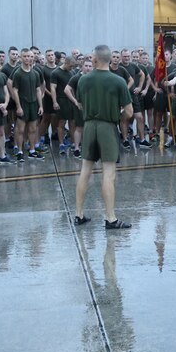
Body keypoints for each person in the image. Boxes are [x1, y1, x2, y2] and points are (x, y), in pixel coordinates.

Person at [75, 45, 132, 230]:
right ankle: (110, 218)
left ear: (95, 59)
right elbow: (129, 111)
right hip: (108, 127)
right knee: (108, 174)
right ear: (110, 59)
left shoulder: (83, 80)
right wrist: (116, 114)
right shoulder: (118, 81)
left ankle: (79, 214)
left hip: (90, 126)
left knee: (85, 171)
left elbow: (80, 104)